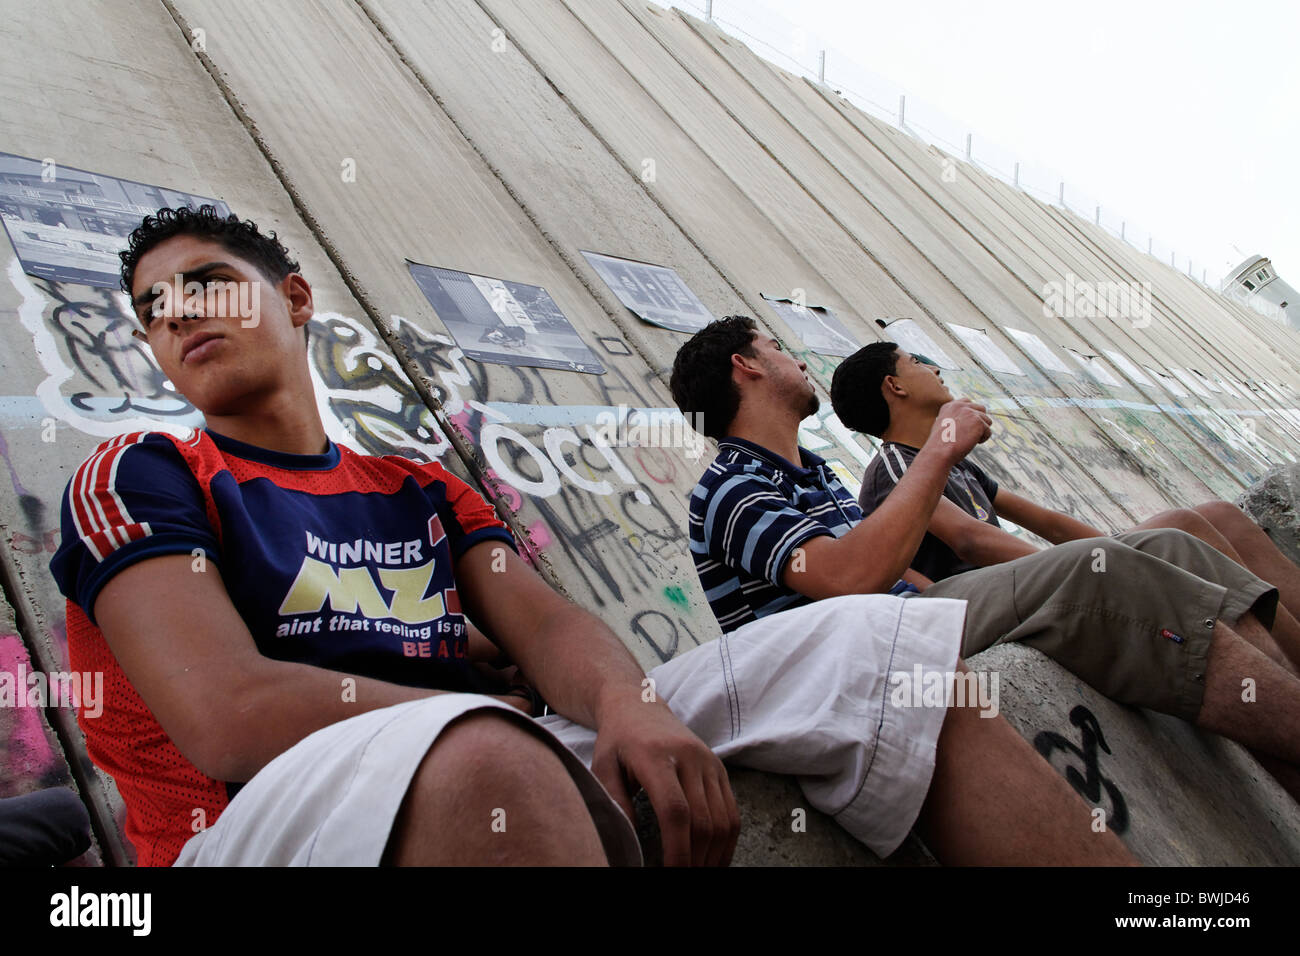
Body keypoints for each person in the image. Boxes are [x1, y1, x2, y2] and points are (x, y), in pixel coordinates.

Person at [51, 205, 741, 867]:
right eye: (154, 311)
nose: (178, 313)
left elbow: (543, 621)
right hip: (257, 825)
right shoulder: (141, 474)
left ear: (295, 299)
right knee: (487, 756)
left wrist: (628, 704)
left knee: (821, 650)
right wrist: (476, 709)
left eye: (208, 285)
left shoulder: (418, 485)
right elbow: (229, 715)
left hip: (484, 739)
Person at [670, 316, 1300, 810]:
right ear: (745, 365)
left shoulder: (815, 472)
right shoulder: (730, 484)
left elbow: (894, 573)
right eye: (777, 345)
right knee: (1097, 569)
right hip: (863, 656)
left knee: (1170, 546)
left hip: (907, 617)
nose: (797, 359)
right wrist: (941, 452)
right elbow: (845, 579)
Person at [832, 341, 1300, 673]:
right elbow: (970, 540)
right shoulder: (895, 467)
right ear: (896, 386)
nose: (934, 369)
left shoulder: (957, 463)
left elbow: (1050, 522)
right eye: (917, 362)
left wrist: (1114, 553)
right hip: (993, 600)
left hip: (1035, 577)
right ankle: (1280, 672)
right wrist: (1092, 569)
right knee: (1179, 529)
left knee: (1215, 516)